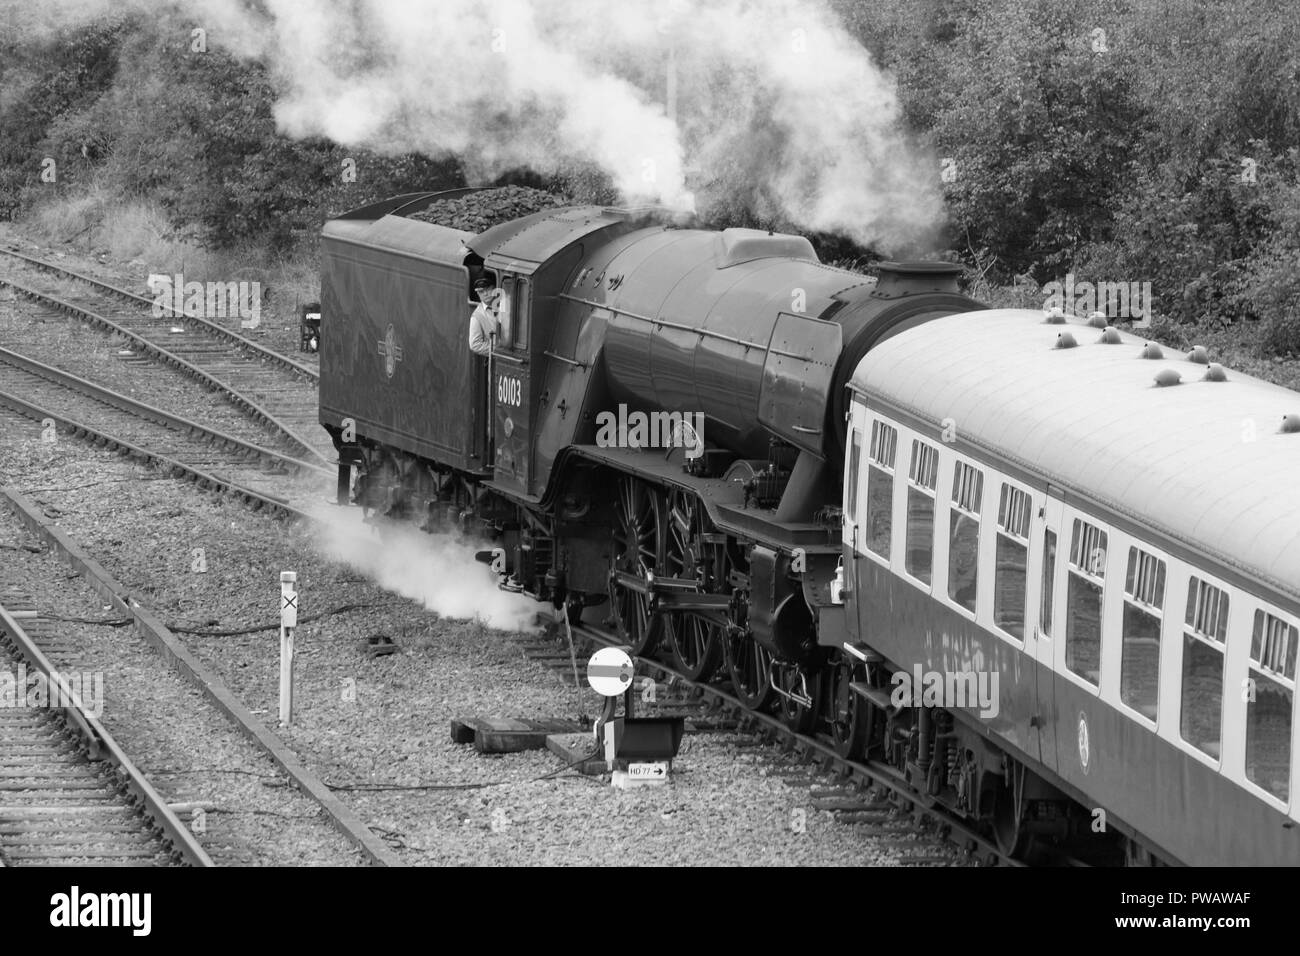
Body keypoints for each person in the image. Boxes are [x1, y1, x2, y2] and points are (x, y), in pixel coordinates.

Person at [469, 278, 502, 357]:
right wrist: (498, 350)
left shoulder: (504, 303)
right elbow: (475, 345)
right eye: (481, 292)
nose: (485, 294)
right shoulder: (477, 316)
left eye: (488, 289)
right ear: (478, 294)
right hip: (497, 359)